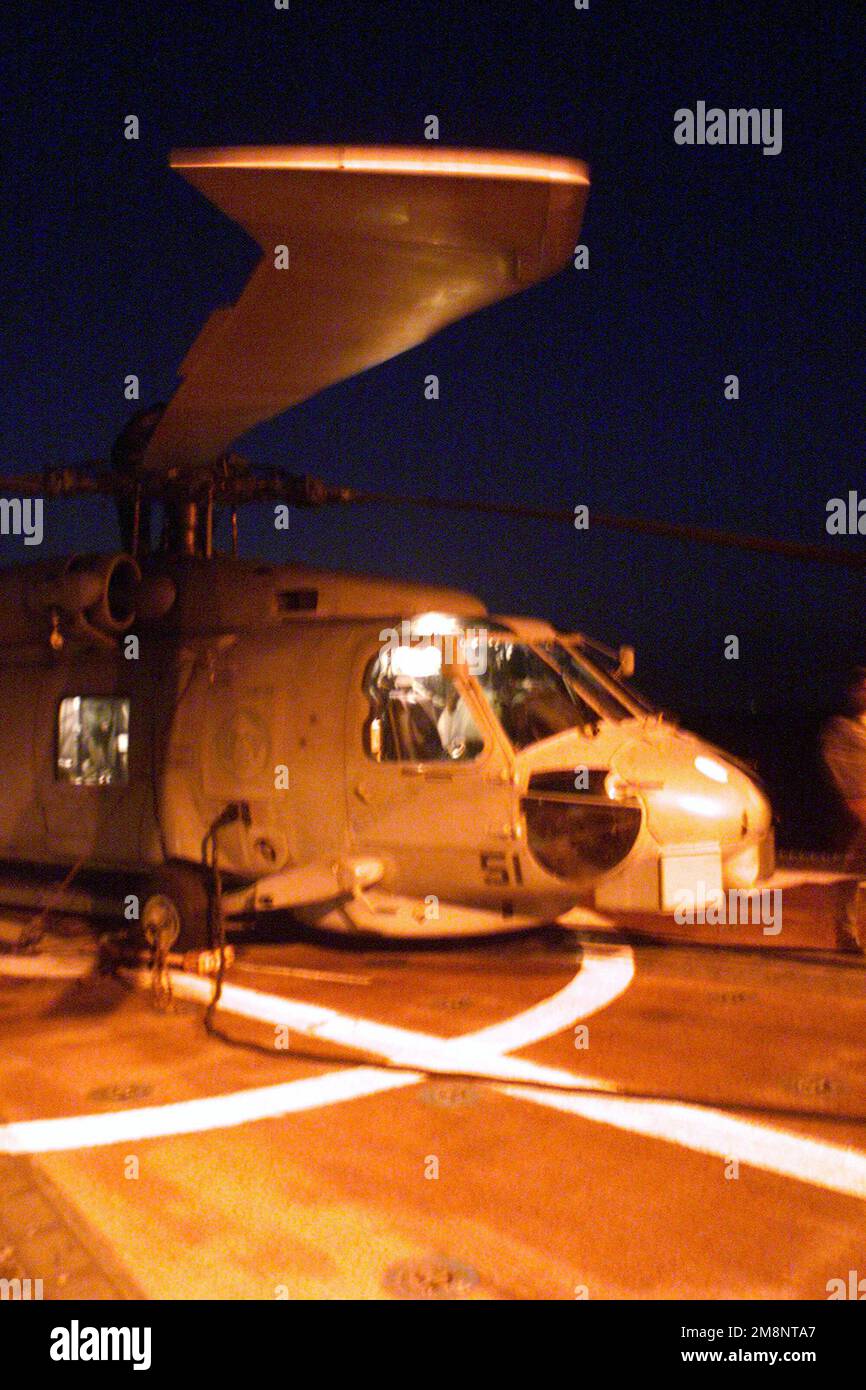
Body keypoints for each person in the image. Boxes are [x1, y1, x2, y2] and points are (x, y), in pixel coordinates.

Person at [820, 666, 866, 953]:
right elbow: (842, 771)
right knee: (852, 875)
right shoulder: (842, 729)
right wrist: (857, 804)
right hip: (856, 809)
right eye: (861, 686)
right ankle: (847, 934)